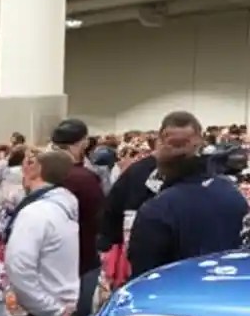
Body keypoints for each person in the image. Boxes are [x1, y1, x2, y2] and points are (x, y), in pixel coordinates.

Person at [129, 111, 250, 277]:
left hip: (178, 298)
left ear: (159, 146)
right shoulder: (233, 194)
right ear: (201, 145)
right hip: (231, 296)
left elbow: (143, 278)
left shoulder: (157, 210)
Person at [3, 149, 81, 316]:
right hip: (59, 304)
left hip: (41, 314)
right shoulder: (62, 207)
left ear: (34, 170)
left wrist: (48, 309)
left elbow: (19, 266)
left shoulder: (36, 213)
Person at [50, 119, 106, 275]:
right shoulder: (85, 178)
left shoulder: (39, 173)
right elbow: (98, 217)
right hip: (80, 255)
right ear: (84, 142)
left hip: (47, 255)